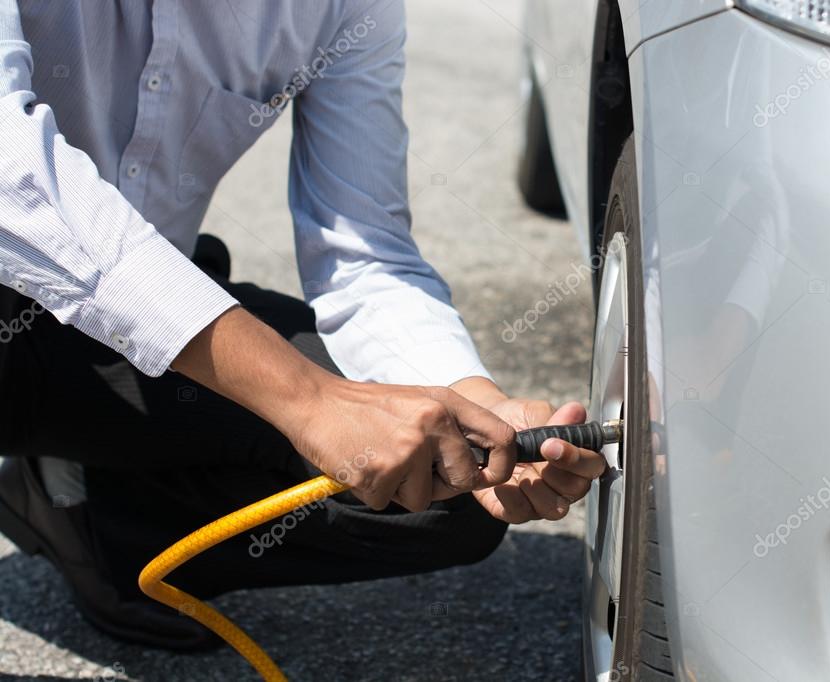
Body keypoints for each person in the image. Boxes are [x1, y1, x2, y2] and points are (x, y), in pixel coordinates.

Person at [0, 0, 604, 650]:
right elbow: (15, 179)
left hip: (136, 329)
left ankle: (85, 510)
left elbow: (363, 252)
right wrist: (310, 401)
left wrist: (473, 401)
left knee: (438, 481)